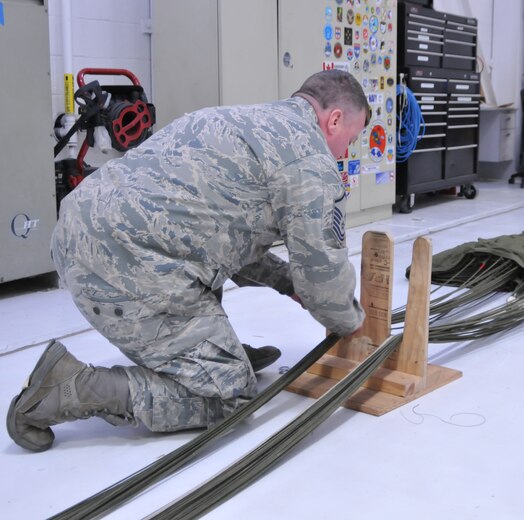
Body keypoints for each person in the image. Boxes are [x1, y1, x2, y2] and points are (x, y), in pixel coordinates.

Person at [7, 70, 369, 452]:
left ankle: (212, 353)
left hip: (78, 230)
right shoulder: (310, 160)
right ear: (333, 120)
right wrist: (354, 325)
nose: (345, 151)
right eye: (352, 137)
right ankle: (70, 387)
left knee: (195, 261)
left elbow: (220, 235)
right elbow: (322, 276)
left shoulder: (238, 119)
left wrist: (285, 282)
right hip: (123, 261)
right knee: (232, 399)